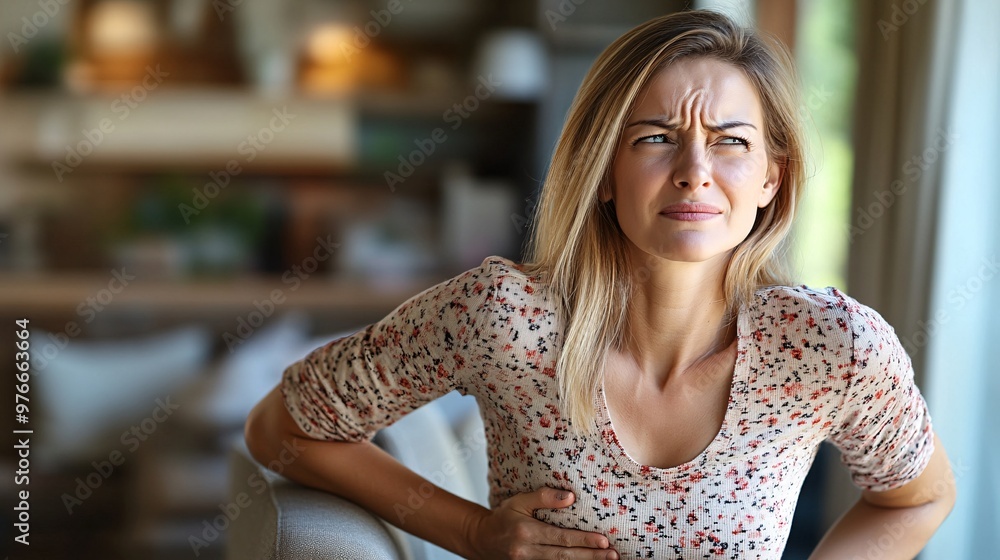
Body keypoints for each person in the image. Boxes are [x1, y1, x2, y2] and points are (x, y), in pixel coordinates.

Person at [245, 9, 956, 559]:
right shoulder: (504, 317)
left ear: (772, 177)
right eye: (654, 137)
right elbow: (281, 427)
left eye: (731, 141)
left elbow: (919, 498)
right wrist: (473, 533)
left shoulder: (829, 346)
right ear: (604, 171)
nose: (695, 170)